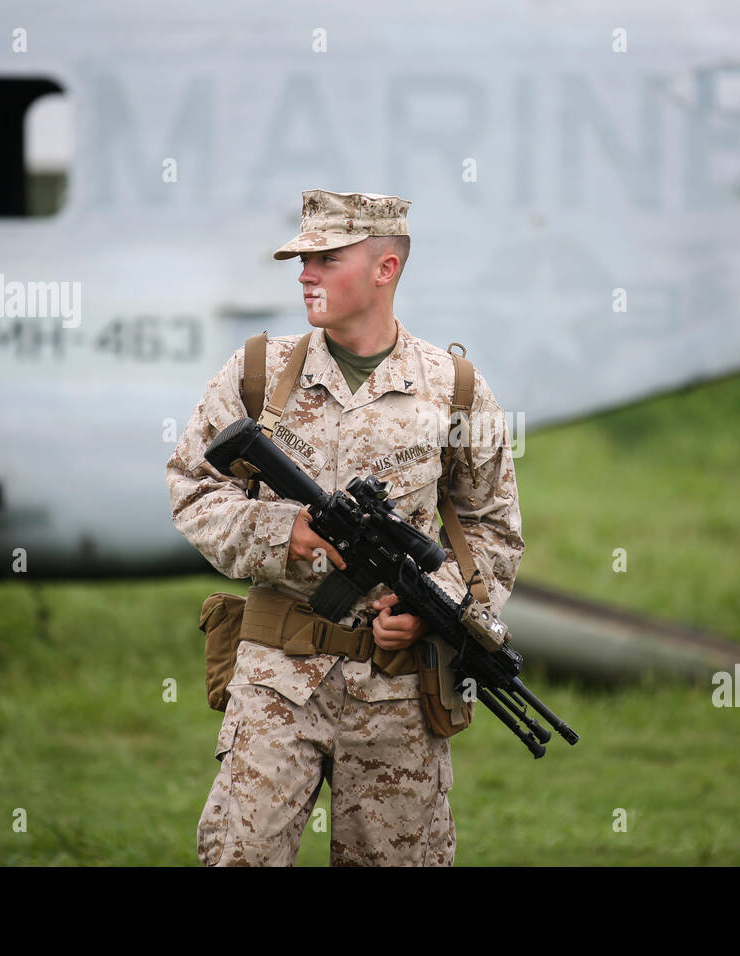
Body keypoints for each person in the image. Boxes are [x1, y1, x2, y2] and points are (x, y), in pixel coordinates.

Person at [165, 188, 524, 866]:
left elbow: (492, 531)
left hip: (398, 694)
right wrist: (282, 534)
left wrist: (436, 610)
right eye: (303, 260)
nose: (306, 274)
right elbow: (193, 491)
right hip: (276, 684)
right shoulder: (257, 375)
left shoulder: (455, 390)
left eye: (326, 259)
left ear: (385, 268)